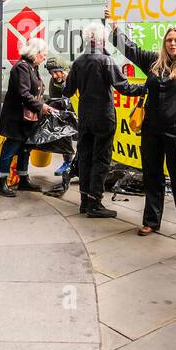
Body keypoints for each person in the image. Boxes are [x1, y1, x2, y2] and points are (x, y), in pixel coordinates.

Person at [109, 0, 176, 241]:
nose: (173, 43)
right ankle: (151, 221)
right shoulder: (152, 62)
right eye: (169, 40)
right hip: (152, 130)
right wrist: (115, 27)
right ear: (164, 44)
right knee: (152, 176)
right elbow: (129, 48)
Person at [63, 22, 141, 218]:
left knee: (86, 157)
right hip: (103, 117)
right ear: (100, 39)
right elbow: (124, 87)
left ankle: (84, 201)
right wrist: (147, 87)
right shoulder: (106, 60)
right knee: (101, 159)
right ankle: (95, 203)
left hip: (85, 117)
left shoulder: (78, 61)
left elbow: (67, 91)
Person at [0, 37, 53, 198]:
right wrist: (41, 106)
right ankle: (2, 182)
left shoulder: (31, 67)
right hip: (16, 118)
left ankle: (23, 179)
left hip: (27, 119)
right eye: (43, 54)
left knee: (25, 148)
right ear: (35, 53)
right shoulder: (22, 67)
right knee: (11, 147)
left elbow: (35, 91)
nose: (44, 57)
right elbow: (24, 93)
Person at [42, 55, 75, 197]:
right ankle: (68, 163)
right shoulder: (54, 81)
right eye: (51, 73)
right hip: (67, 110)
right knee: (64, 134)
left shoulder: (74, 74)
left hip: (82, 109)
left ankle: (79, 167)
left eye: (57, 72)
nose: (55, 76)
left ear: (64, 69)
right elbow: (56, 99)